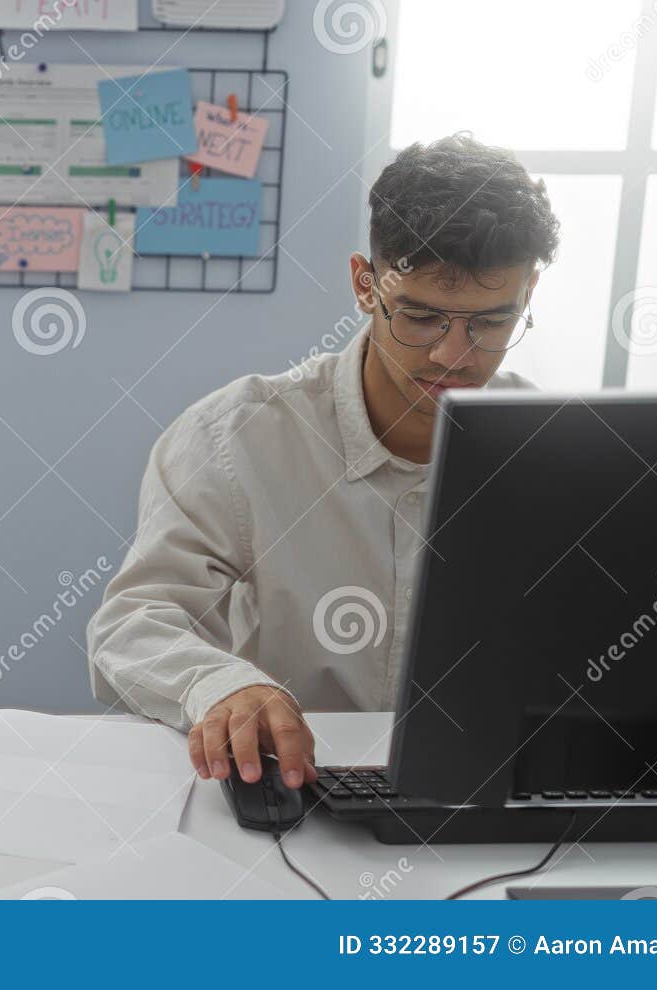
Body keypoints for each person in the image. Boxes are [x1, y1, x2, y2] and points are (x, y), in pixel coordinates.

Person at [87, 133, 561, 789]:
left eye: (490, 322)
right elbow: (134, 622)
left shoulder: (555, 448)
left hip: (495, 789)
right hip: (297, 791)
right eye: (421, 317)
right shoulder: (237, 438)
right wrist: (220, 682)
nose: (454, 356)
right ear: (366, 287)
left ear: (528, 292)